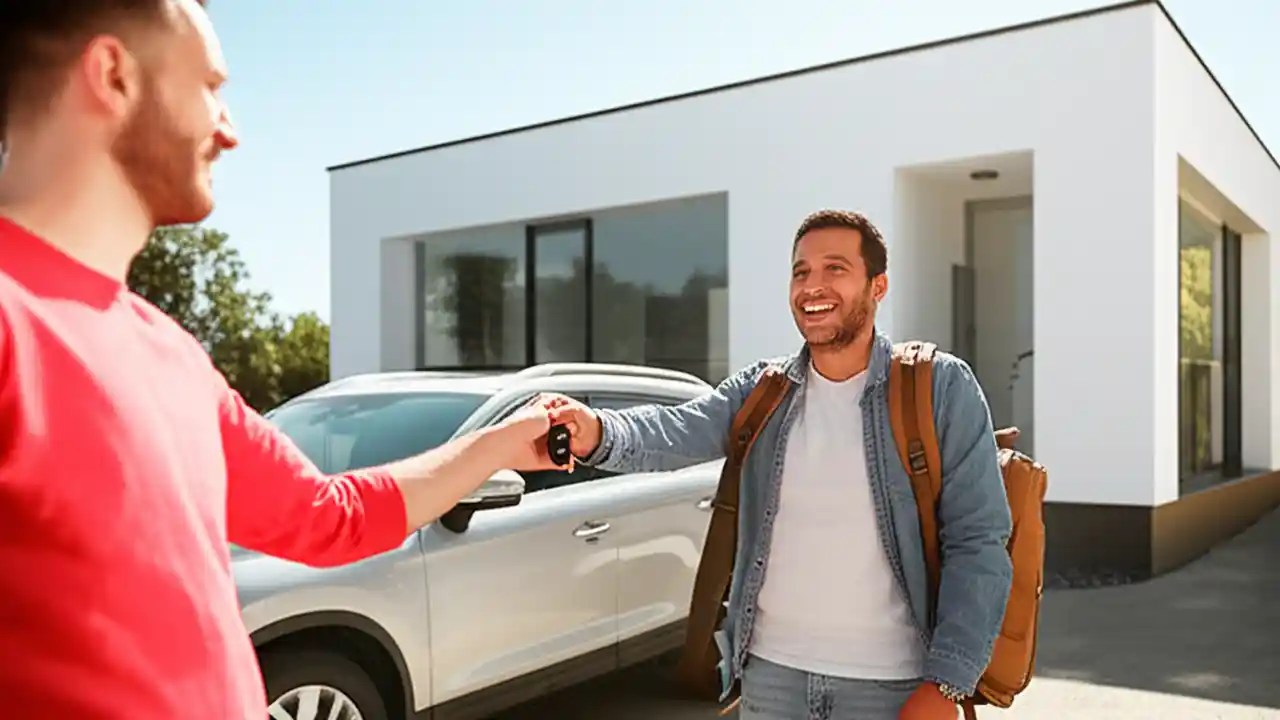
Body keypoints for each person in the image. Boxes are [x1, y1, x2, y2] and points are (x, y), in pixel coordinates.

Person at [0, 2, 562, 718]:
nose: (228, 130)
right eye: (209, 85)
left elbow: (328, 517)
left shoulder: (170, 352)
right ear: (112, 75)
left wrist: (500, 444)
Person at [541, 209, 1014, 720]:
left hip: (890, 686)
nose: (812, 286)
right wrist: (597, 430)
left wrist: (946, 685)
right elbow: (679, 428)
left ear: (878, 286)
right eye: (801, 271)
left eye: (835, 268)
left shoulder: (938, 386)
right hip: (771, 680)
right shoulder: (766, 392)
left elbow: (978, 540)